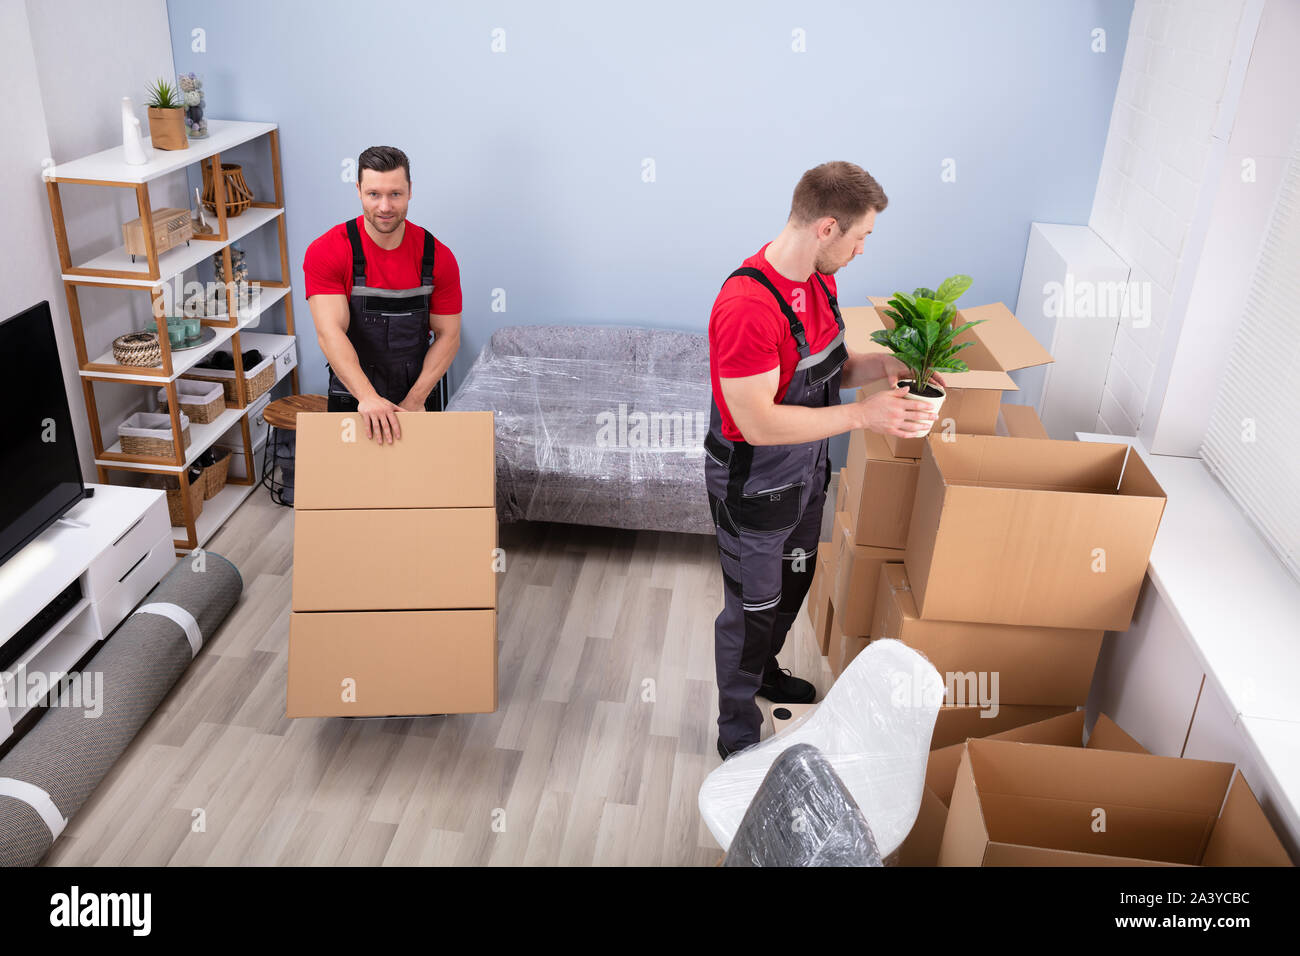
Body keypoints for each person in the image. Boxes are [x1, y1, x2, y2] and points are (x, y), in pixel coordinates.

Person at [706, 161, 946, 760]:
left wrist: (883, 367)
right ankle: (736, 732)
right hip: (755, 484)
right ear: (827, 227)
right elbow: (758, 420)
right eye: (861, 236)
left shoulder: (818, 280)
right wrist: (865, 416)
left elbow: (828, 369)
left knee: (794, 581)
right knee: (750, 611)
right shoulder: (746, 307)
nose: (862, 250)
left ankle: (763, 675)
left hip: (806, 471)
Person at [303, 145, 462, 443]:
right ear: (359, 190)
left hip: (419, 391)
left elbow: (449, 335)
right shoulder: (328, 251)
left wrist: (415, 401)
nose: (385, 206)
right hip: (353, 393)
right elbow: (330, 332)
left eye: (395, 194)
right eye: (374, 194)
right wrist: (367, 397)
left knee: (421, 484)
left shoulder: (439, 256)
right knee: (356, 486)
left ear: (410, 190)